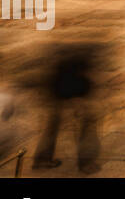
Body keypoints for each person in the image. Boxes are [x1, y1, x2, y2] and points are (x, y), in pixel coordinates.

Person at [31, 43, 101, 173]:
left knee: (53, 125)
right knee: (87, 124)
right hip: (68, 84)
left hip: (58, 85)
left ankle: (42, 160)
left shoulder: (65, 61)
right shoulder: (84, 63)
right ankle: (86, 163)